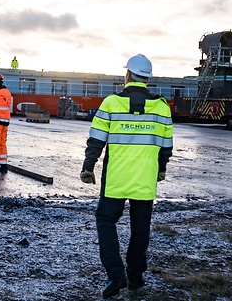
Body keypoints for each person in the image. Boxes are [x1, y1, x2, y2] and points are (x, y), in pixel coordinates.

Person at [80, 54, 173, 298]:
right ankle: (135, 278)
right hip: (145, 178)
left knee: (105, 220)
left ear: (128, 75)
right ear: (148, 79)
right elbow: (166, 146)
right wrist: (161, 169)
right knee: (140, 229)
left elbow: (96, 140)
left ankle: (115, 275)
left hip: (116, 178)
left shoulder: (111, 103)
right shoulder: (162, 107)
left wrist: (88, 167)